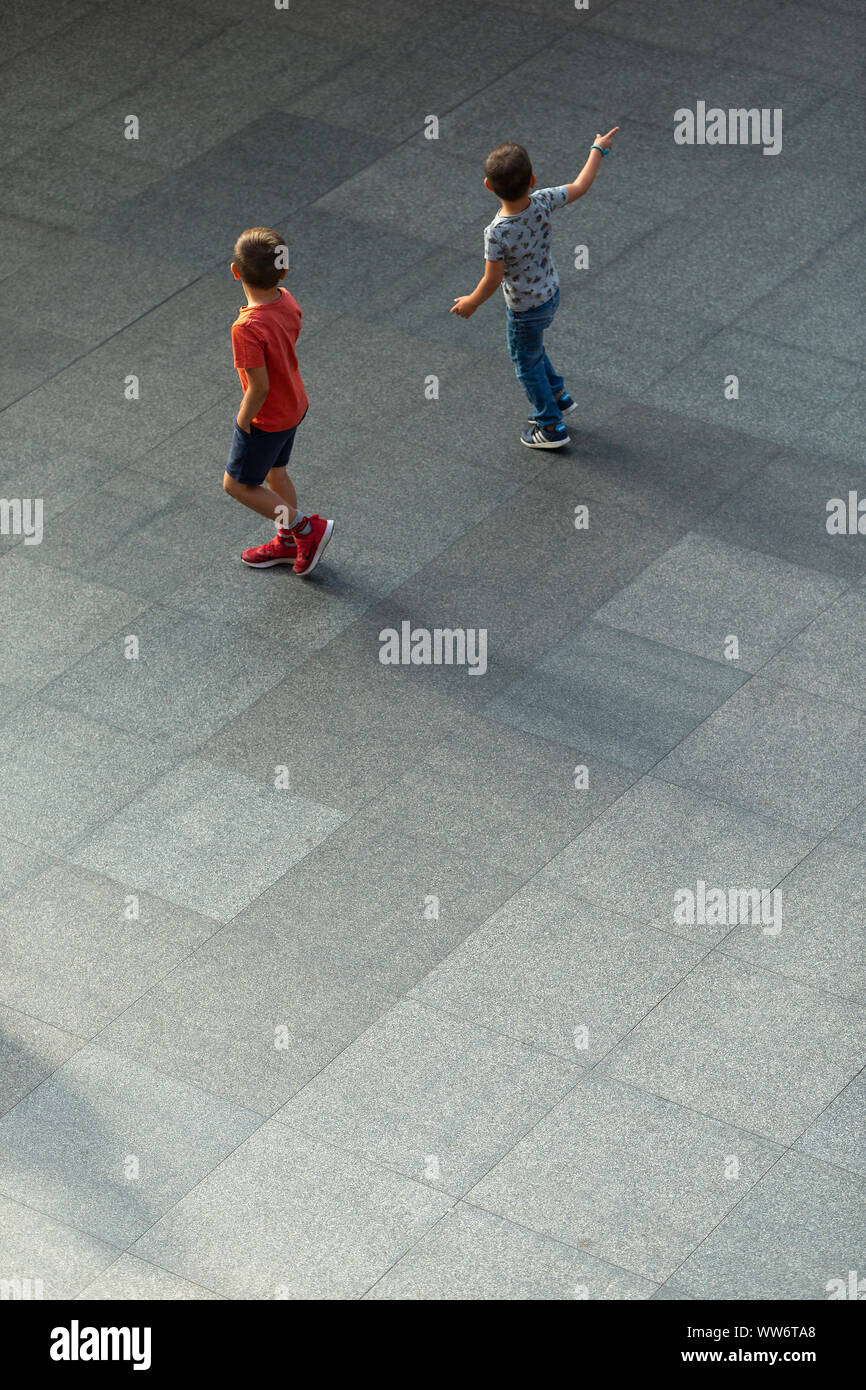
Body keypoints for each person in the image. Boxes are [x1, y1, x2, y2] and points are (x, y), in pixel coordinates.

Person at [451, 130, 619, 448]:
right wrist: (597, 148)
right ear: (533, 179)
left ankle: (551, 424)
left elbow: (491, 279)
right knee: (533, 349)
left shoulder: (496, 233)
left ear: (488, 186)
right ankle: (558, 394)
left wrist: (471, 302)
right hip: (550, 294)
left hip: (524, 309)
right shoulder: (542, 200)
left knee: (524, 361)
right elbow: (581, 185)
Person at [222, 226, 333, 574]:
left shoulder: (246, 327)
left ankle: (305, 528)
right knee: (276, 473)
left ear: (235, 271)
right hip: (294, 405)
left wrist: (243, 422)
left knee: (238, 484)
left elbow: (258, 387)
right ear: (283, 271)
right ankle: (287, 542)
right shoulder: (287, 300)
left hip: (267, 419)